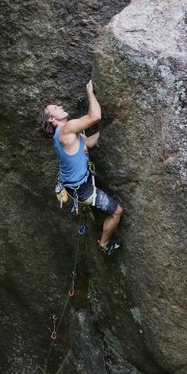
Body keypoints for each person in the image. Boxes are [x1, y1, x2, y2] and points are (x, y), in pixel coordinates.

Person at [39, 81, 123, 255]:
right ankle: (104, 245)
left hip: (72, 185)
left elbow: (89, 142)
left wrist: (111, 129)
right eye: (55, 107)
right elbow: (95, 117)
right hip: (82, 189)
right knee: (117, 212)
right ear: (52, 119)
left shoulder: (64, 134)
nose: (60, 106)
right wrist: (89, 92)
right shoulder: (65, 130)